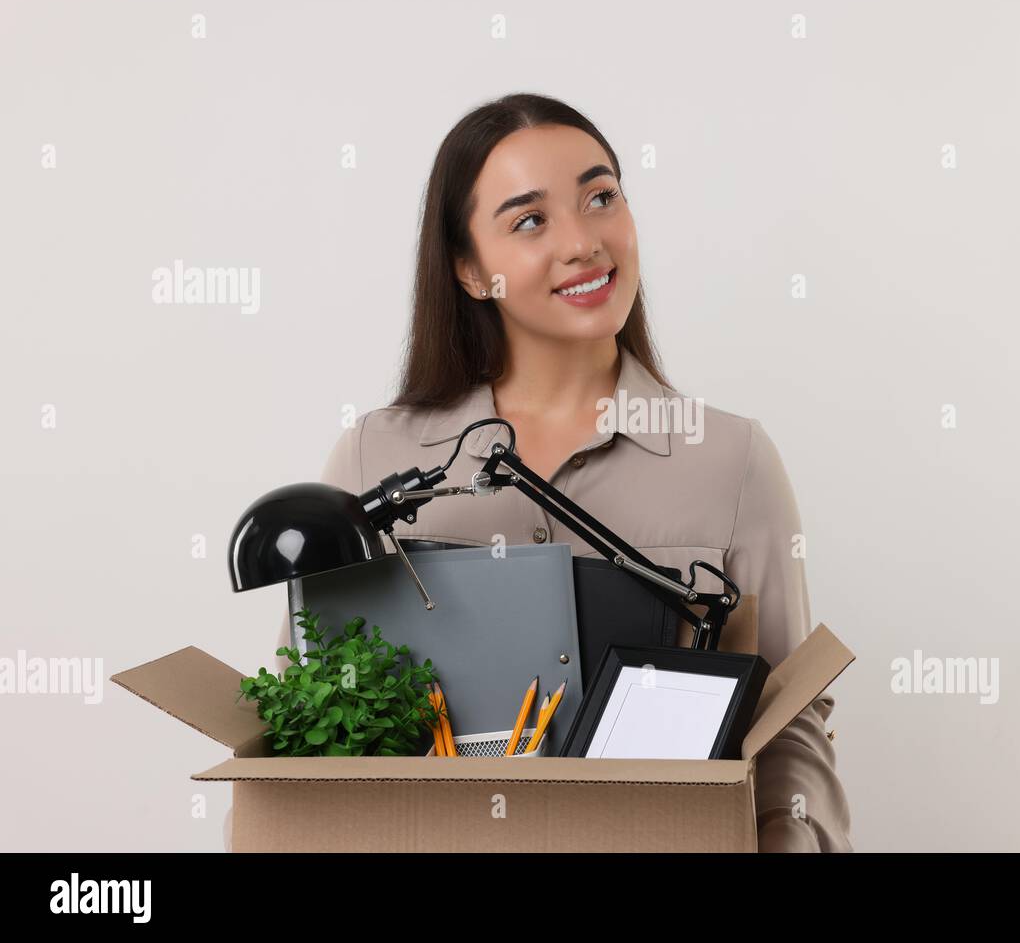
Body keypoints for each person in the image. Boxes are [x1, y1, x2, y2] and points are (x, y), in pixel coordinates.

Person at [270, 93, 852, 852]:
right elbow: (298, 731)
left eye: (600, 196)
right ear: (471, 270)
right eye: (531, 219)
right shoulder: (375, 460)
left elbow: (790, 721)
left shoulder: (732, 460)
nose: (584, 242)